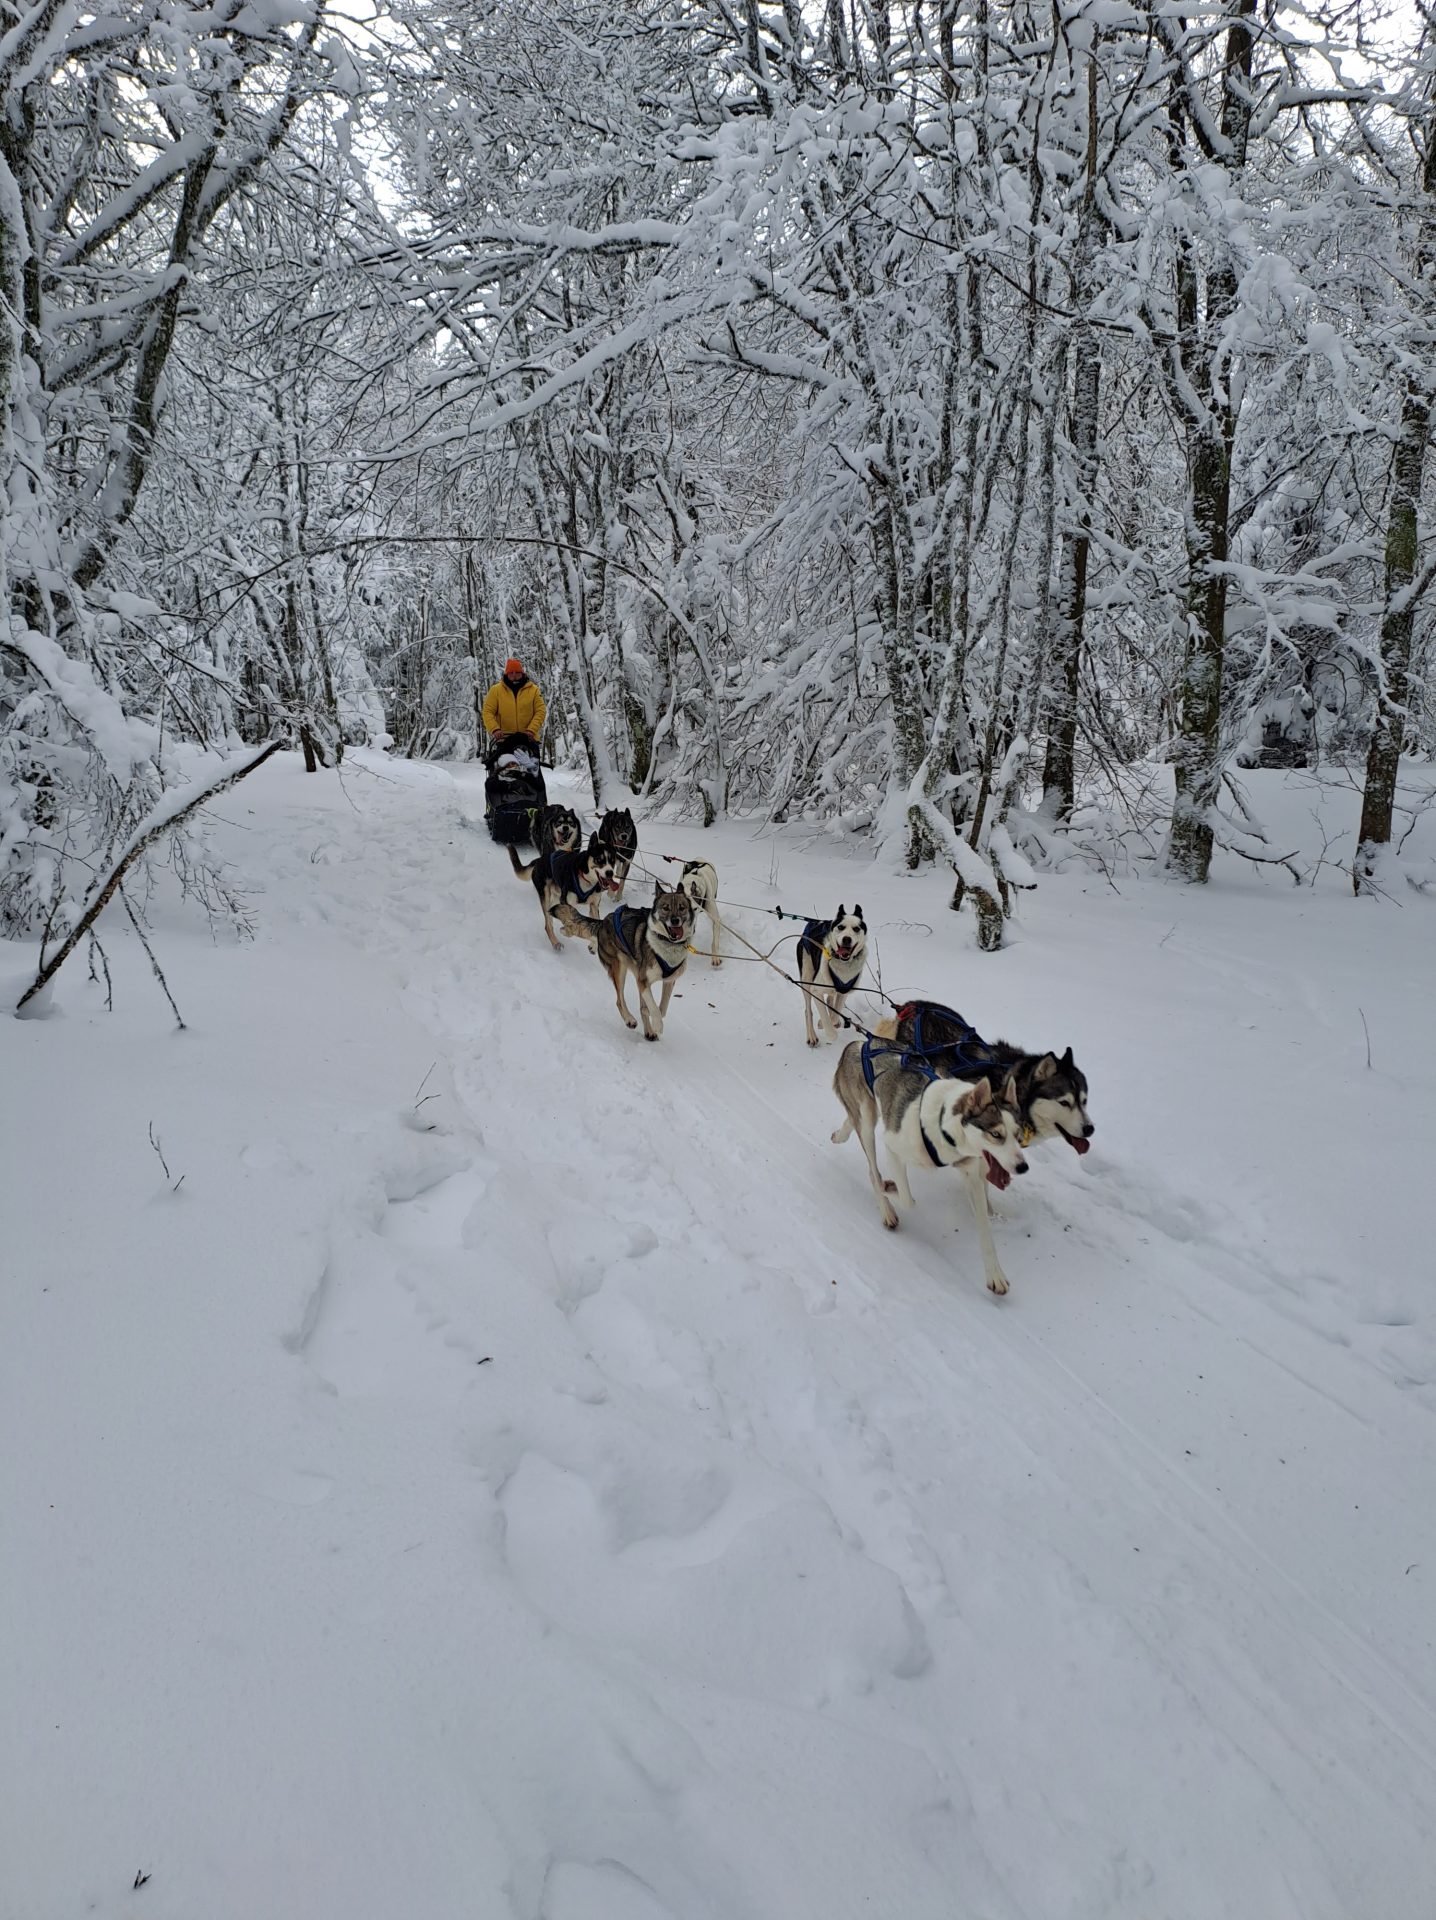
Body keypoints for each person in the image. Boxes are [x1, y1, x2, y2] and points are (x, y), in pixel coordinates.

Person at [482, 657, 546, 751]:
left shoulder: (534, 690)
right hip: (504, 739)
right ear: (506, 674)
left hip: (529, 739)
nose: (514, 675)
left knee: (532, 764)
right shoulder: (496, 690)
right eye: (511, 672)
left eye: (517, 672)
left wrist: (531, 730)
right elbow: (487, 712)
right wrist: (495, 729)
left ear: (522, 673)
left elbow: (540, 711)